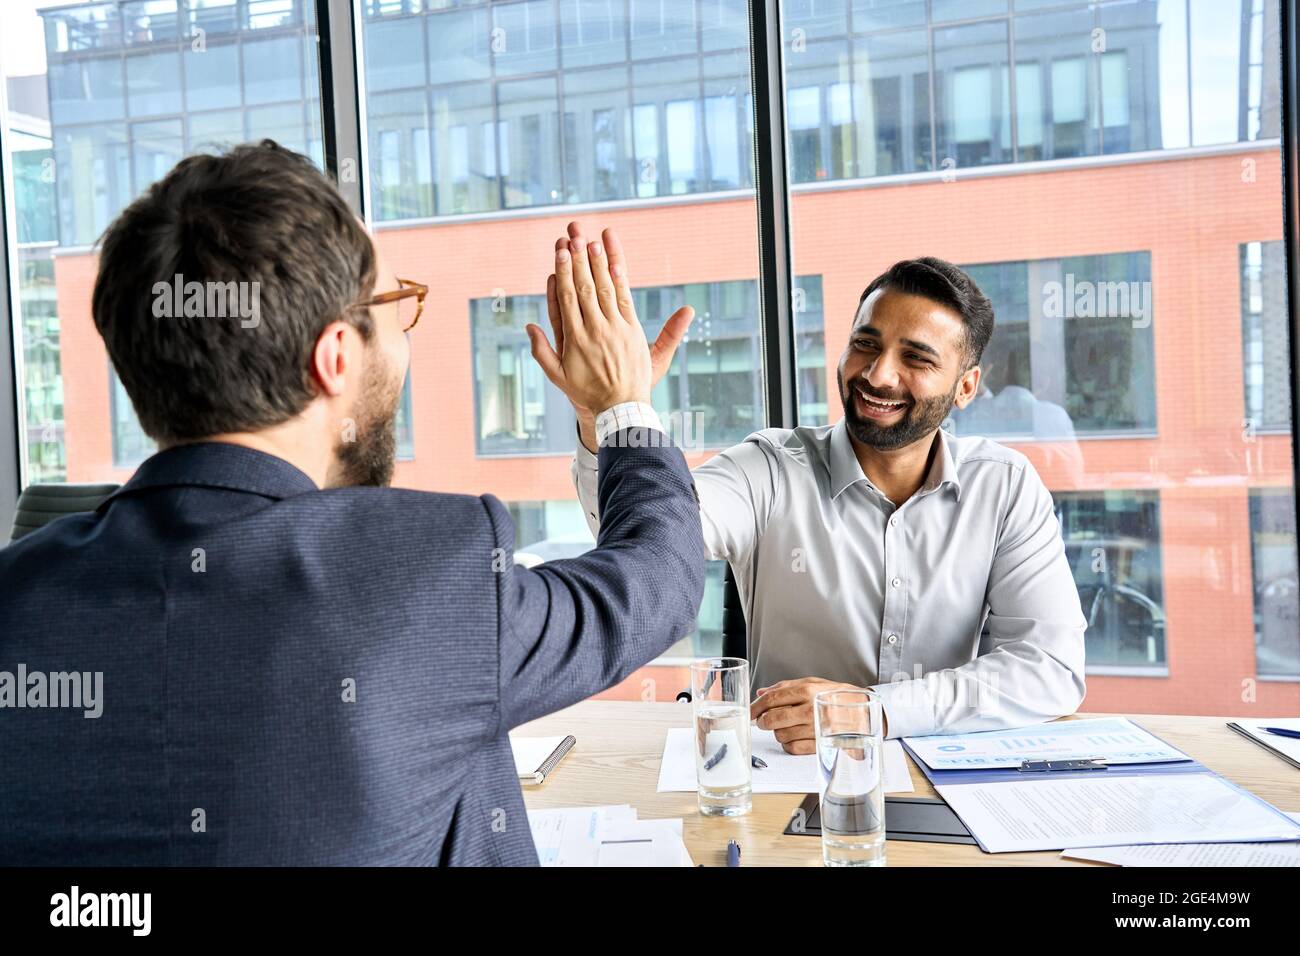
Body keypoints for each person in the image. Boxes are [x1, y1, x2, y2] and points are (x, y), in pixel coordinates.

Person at [0, 142, 704, 865]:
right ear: (334, 356)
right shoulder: (428, 578)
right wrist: (621, 405)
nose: (402, 336)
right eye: (393, 303)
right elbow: (657, 581)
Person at [556, 243, 1086, 752]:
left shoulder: (1005, 487)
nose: (878, 374)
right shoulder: (769, 467)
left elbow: (1050, 669)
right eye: (866, 344)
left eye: (916, 359)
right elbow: (642, 536)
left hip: (943, 788)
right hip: (784, 786)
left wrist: (872, 713)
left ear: (965, 388)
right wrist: (603, 416)